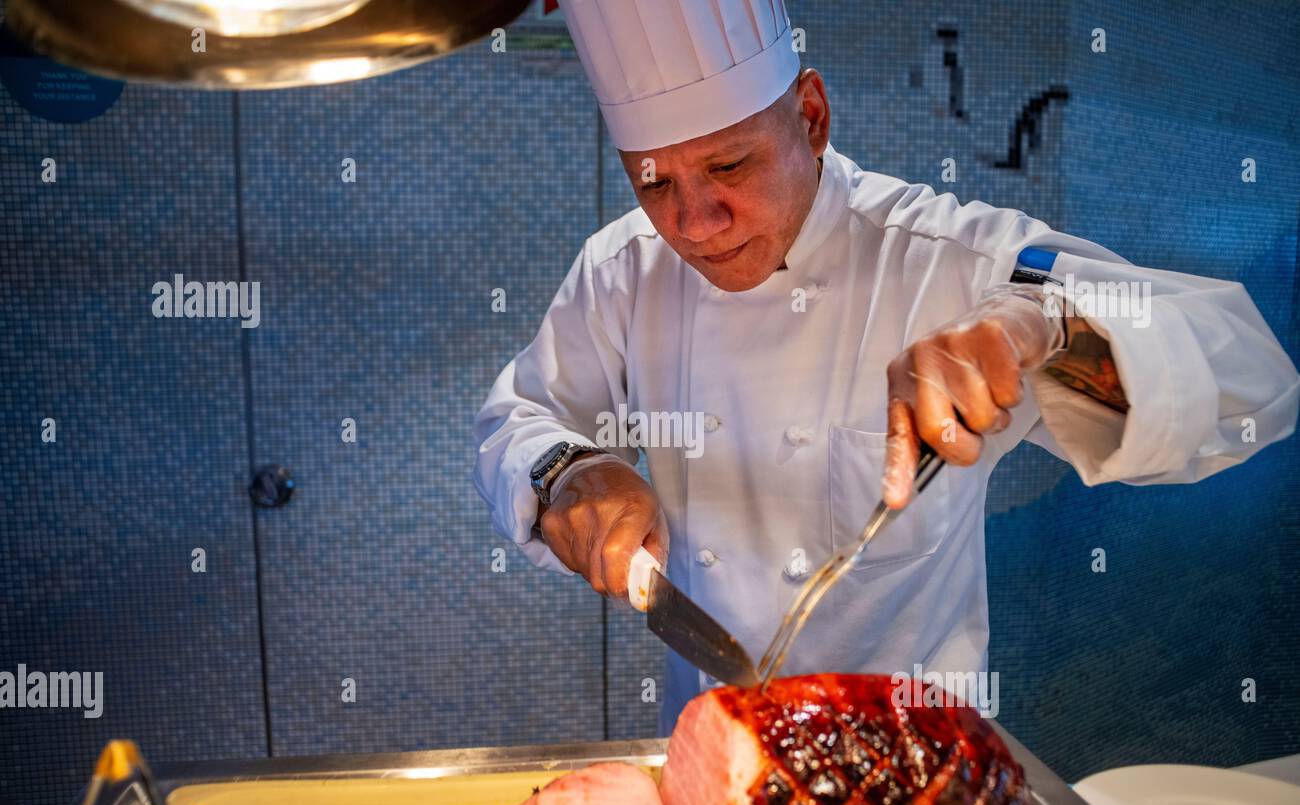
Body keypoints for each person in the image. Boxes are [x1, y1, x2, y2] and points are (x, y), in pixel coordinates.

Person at [473, 0, 1299, 733]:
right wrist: (565, 474)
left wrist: (1045, 326)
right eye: (654, 180)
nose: (693, 222)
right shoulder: (623, 269)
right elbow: (520, 417)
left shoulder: (951, 260)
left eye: (730, 166)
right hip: (710, 746)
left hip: (915, 764)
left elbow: (1254, 383)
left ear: (811, 114)